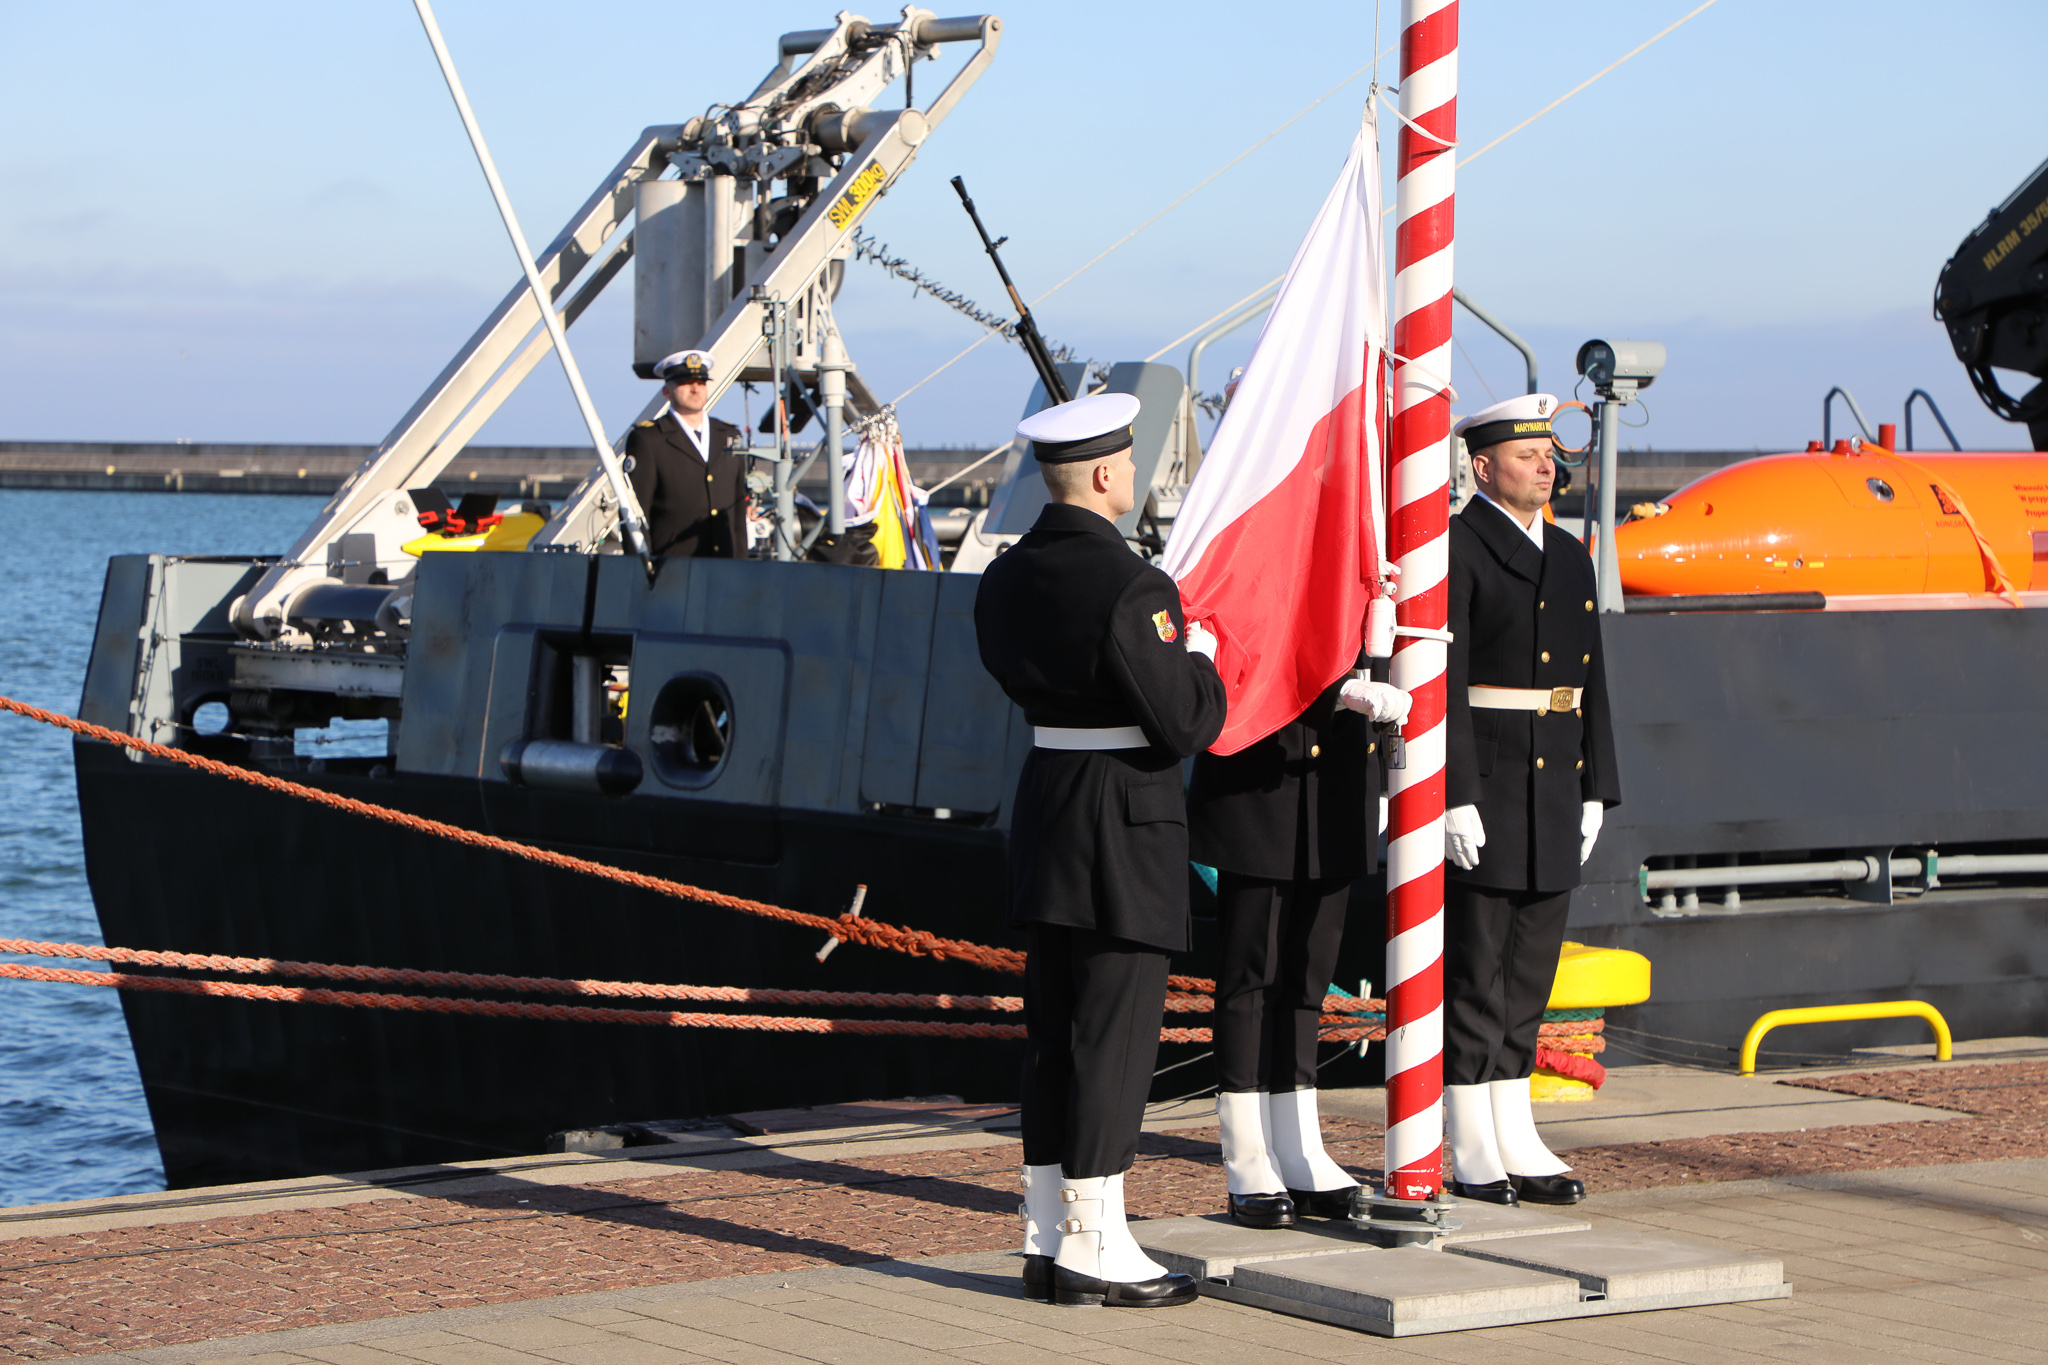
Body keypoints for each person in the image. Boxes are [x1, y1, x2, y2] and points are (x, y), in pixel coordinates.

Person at [974, 392, 1228, 1309]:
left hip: (1049, 806)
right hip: (1124, 818)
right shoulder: (1134, 586)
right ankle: (1094, 1239)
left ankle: (1049, 1230)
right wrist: (1195, 654)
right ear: (1111, 474)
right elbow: (1184, 720)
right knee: (1116, 1037)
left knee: (1054, 1033)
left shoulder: (1005, 578)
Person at [1441, 393, 1622, 1207]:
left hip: (1552, 781)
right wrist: (1452, 793)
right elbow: (1445, 677)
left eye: (1549, 451)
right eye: (1527, 453)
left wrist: (1597, 786)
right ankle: (1471, 1138)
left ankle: (1514, 1125)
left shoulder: (1569, 553)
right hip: (1489, 774)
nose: (1547, 464)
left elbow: (1593, 680)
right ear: (1483, 466)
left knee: (1530, 974)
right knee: (1480, 969)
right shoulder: (1458, 545)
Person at [1188, 670, 1409, 1227]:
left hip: (1338, 777)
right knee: (1252, 974)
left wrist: (1382, 774)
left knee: (1309, 976)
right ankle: (1246, 1155)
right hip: (1261, 775)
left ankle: (1298, 1146)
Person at [625, 349, 747, 558]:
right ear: (666, 391)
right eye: (685, 382)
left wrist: (741, 568)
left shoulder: (728, 435)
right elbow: (635, 512)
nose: (695, 389)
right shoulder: (649, 439)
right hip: (672, 569)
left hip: (724, 567)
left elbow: (737, 516)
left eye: (701, 382)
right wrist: (640, 570)